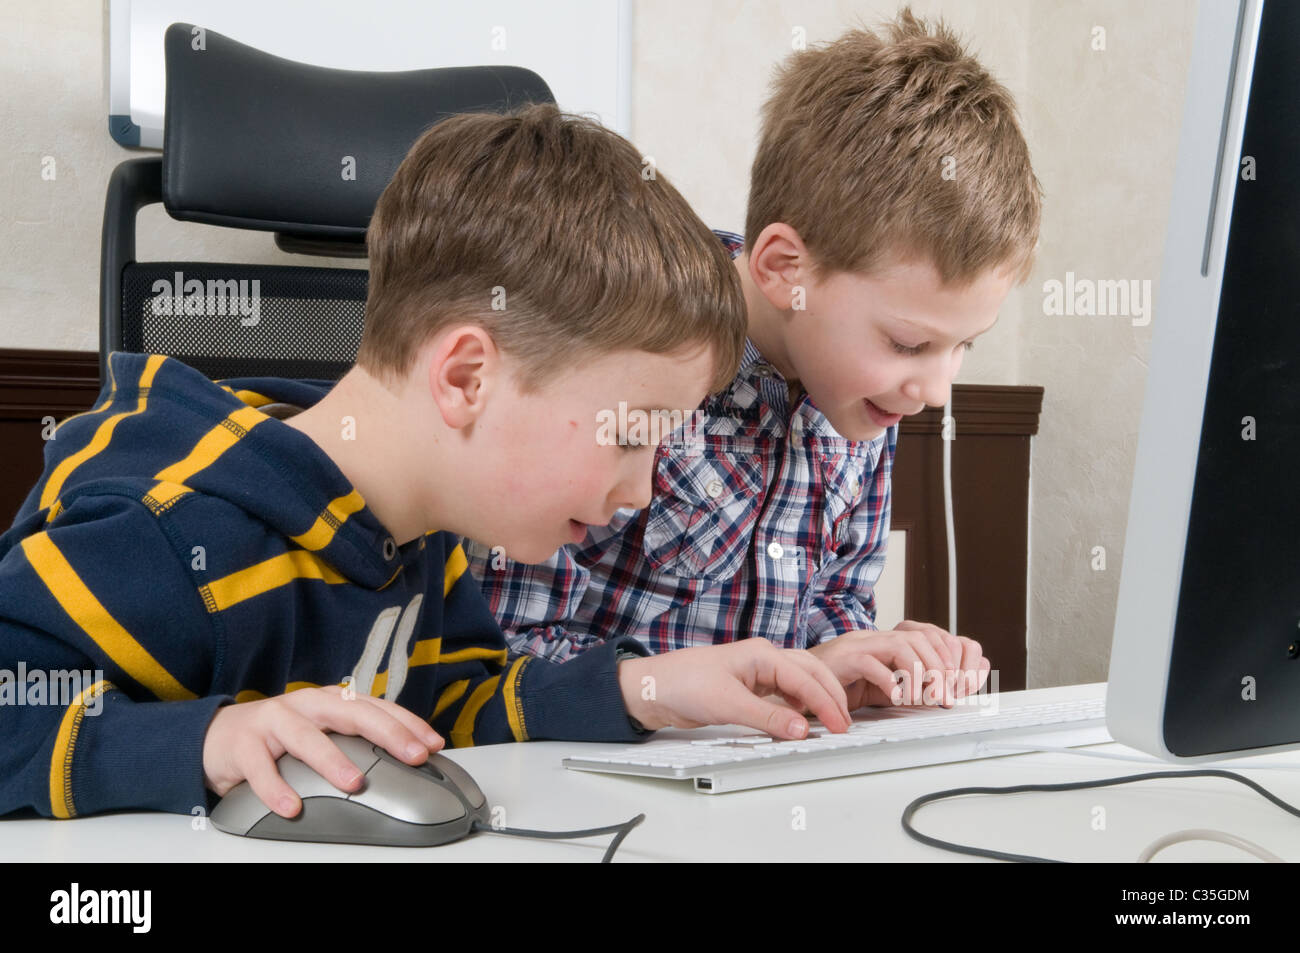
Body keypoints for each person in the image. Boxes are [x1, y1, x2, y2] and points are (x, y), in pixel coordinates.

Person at [0, 103, 854, 822]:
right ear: (466, 377)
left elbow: (454, 706)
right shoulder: (174, 531)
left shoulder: (420, 539)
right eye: (632, 434)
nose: (641, 489)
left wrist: (647, 688)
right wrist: (210, 741)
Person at [469, 8, 1040, 709]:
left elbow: (834, 604)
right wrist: (666, 694)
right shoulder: (626, 355)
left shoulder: (861, 398)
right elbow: (502, 656)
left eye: (963, 346)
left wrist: (855, 664)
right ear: (784, 270)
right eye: (909, 343)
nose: (935, 389)